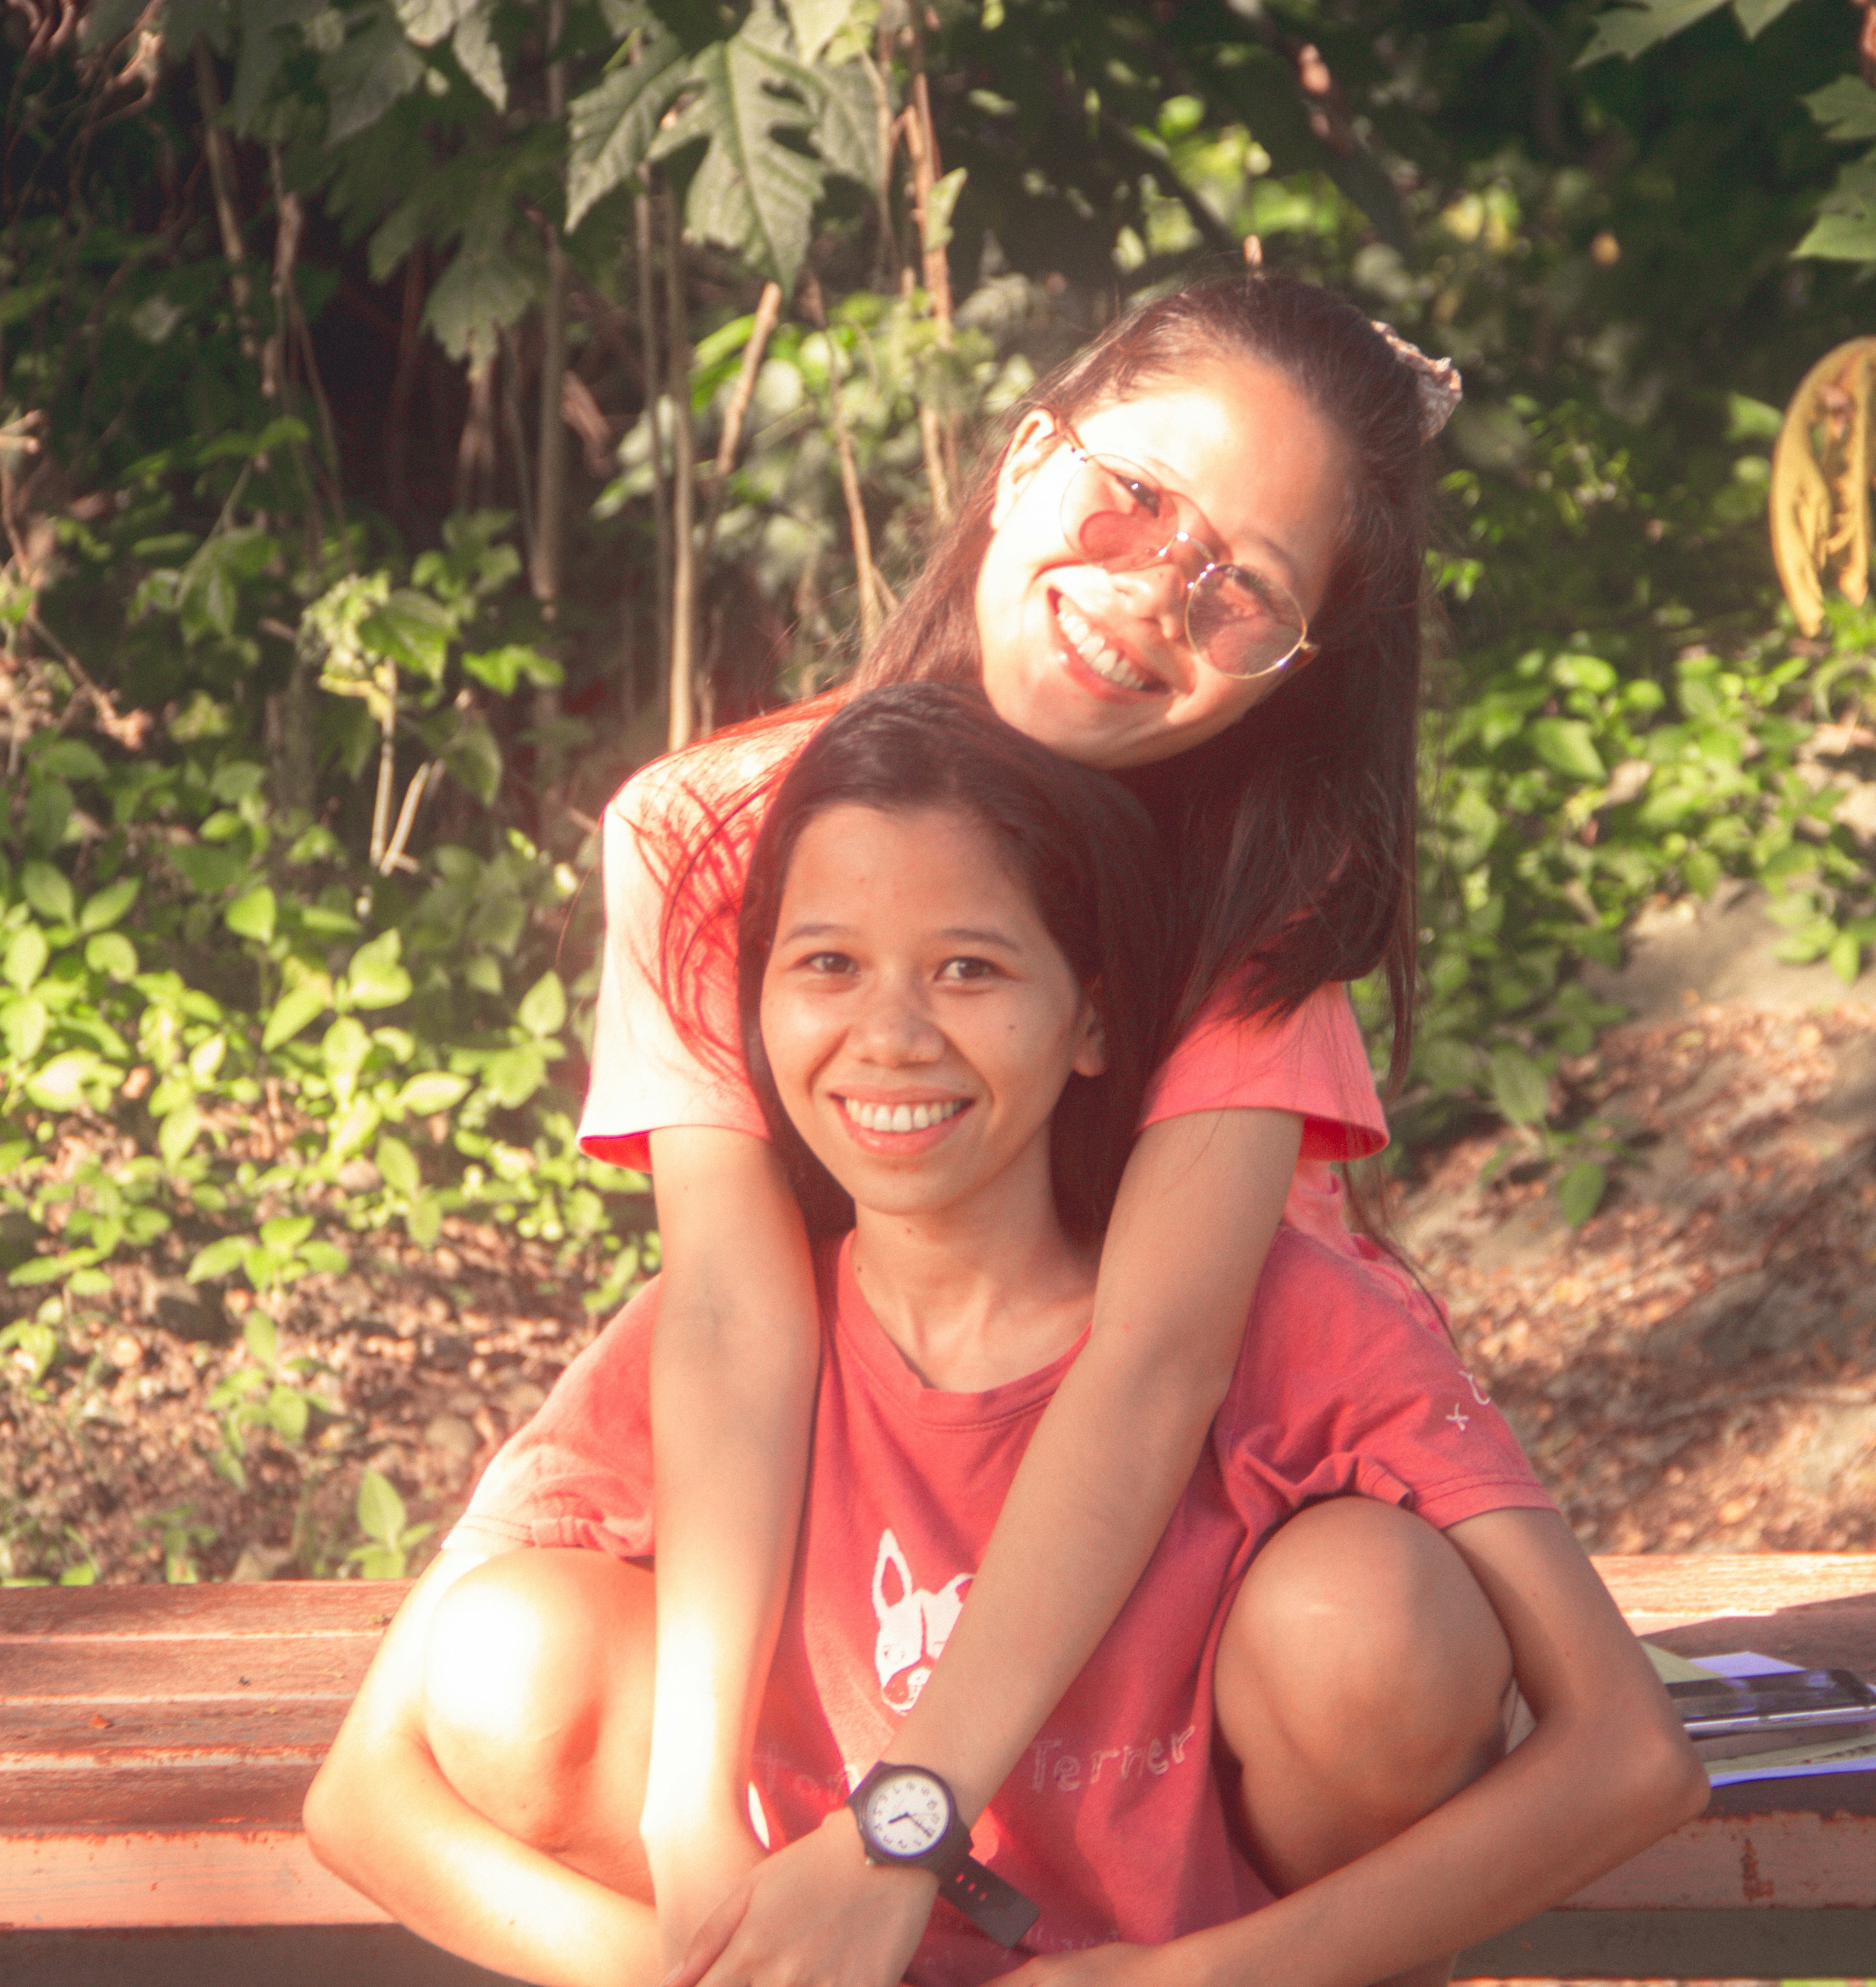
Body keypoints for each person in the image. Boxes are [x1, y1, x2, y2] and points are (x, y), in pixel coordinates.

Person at [302, 686, 1708, 1987]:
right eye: (829, 965)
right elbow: (367, 1798)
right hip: (815, 1944)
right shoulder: (713, 1339)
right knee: (506, 1654)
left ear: (1094, 1018)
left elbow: (1636, 1754)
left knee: (1373, 1616)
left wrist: (1188, 1984)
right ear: (755, 1012)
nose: (891, 1035)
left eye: (970, 970)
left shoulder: (1280, 1314)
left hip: (1199, 1963)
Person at [586, 275, 1463, 1973]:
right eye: (1133, 499)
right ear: (1028, 448)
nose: (1150, 596)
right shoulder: (701, 835)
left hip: (1194, 1546)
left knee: (1373, 1651)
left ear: (1290, 673)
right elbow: (731, 1310)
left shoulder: (1259, 897)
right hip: (876, 1523)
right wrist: (690, 1817)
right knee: (524, 1681)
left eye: (1242, 595)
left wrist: (904, 1815)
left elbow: (1156, 1372)